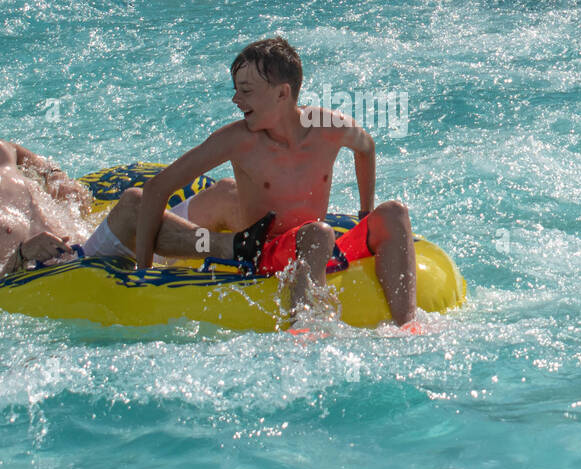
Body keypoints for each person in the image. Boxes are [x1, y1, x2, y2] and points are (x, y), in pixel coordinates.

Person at [130, 38, 419, 326]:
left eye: (246, 91)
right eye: (236, 90)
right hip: (264, 253)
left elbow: (366, 148)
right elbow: (157, 188)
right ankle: (303, 329)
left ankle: (408, 326)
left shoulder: (328, 127)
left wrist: (365, 214)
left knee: (394, 213)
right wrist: (141, 272)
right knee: (317, 233)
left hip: (317, 244)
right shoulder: (238, 140)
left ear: (282, 93)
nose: (236, 100)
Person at [0, 94, 270, 286]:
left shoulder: (1, 154)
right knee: (135, 203)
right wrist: (21, 255)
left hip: (97, 242)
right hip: (72, 274)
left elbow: (37, 163)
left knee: (226, 191)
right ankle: (238, 249)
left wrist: (57, 177)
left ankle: (277, 243)